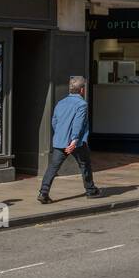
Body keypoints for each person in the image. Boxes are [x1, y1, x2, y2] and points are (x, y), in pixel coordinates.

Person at [38, 76, 100, 204]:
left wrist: (61, 135)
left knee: (53, 167)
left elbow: (54, 121)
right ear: (82, 90)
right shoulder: (82, 104)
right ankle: (90, 190)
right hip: (76, 143)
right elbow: (78, 123)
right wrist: (74, 140)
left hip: (60, 141)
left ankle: (43, 192)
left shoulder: (60, 103)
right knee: (85, 165)